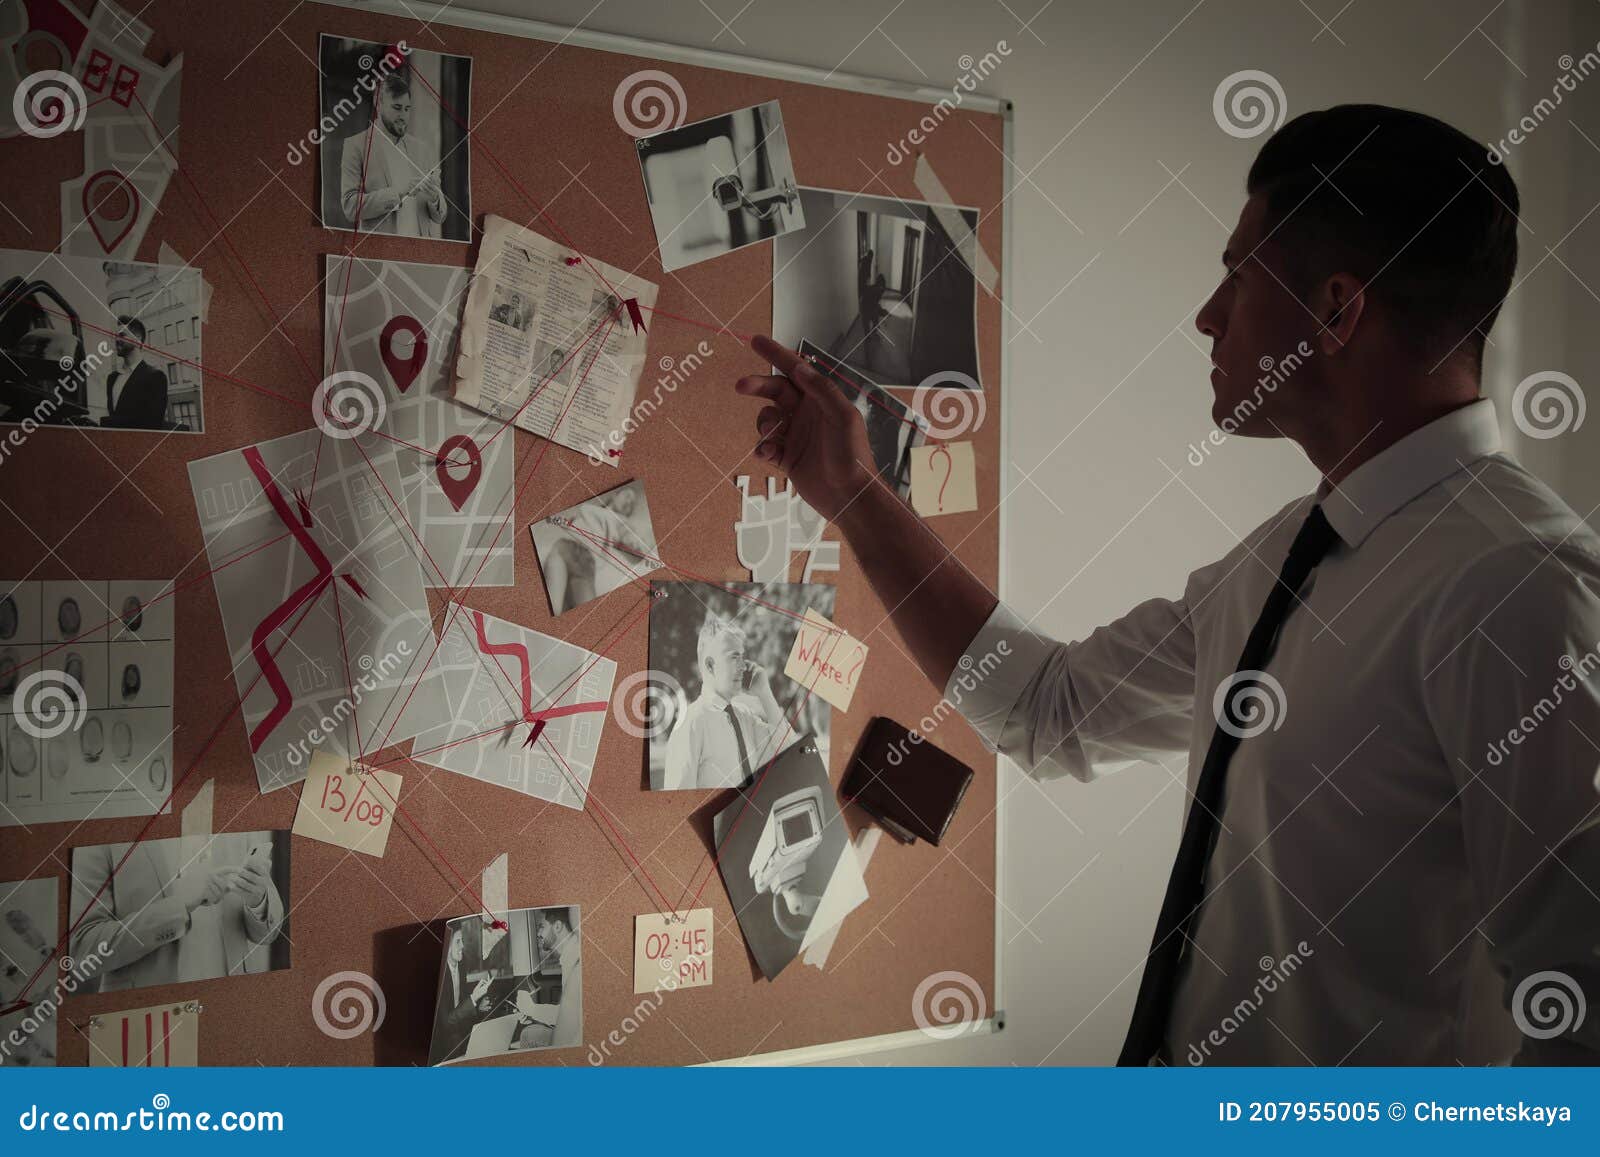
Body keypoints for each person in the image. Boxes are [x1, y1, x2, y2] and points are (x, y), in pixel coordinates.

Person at [734, 104, 1600, 1065]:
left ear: (1336, 309)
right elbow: (1046, 710)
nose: (1208, 314)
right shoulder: (1282, 561)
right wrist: (856, 495)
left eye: (1240, 272)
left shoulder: (1520, 591)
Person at [70, 833, 283, 992]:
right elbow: (81, 951)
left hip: (230, 1005)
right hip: (148, 1015)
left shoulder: (232, 811)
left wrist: (258, 900)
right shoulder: (106, 829)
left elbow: (269, 933)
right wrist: (178, 905)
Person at [660, 615, 785, 790]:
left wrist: (765, 693)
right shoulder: (691, 723)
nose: (743, 666)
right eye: (734, 657)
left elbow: (788, 749)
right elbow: (676, 801)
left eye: (743, 657)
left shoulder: (746, 717)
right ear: (710, 666)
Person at [339, 72, 446, 238]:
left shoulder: (422, 150)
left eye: (407, 109)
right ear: (378, 103)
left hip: (420, 253)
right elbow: (350, 207)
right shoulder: (355, 146)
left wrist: (435, 198)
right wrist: (398, 193)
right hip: (382, 253)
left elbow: (440, 216)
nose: (403, 116)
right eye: (397, 108)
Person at [431, 924, 492, 1063]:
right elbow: (445, 1022)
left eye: (463, 940)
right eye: (458, 941)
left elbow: (461, 1002)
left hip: (458, 1030)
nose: (463, 946)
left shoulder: (461, 965)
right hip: (439, 1039)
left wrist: (477, 1005)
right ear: (446, 945)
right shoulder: (438, 972)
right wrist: (473, 998)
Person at [101, 316, 167, 428]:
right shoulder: (112, 378)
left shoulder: (155, 377)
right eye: (115, 336)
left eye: (122, 335)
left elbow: (154, 424)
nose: (117, 340)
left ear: (138, 339)